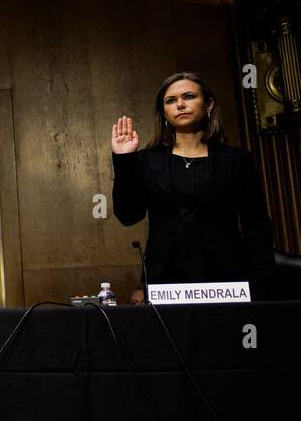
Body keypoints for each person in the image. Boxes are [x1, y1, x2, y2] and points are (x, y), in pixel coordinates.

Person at [111, 71, 275, 290]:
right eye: (171, 100)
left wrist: (262, 285)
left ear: (207, 104)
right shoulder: (147, 160)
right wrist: (124, 161)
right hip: (165, 276)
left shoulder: (237, 159)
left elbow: (257, 225)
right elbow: (129, 215)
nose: (180, 104)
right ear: (164, 112)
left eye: (188, 97)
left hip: (228, 276)